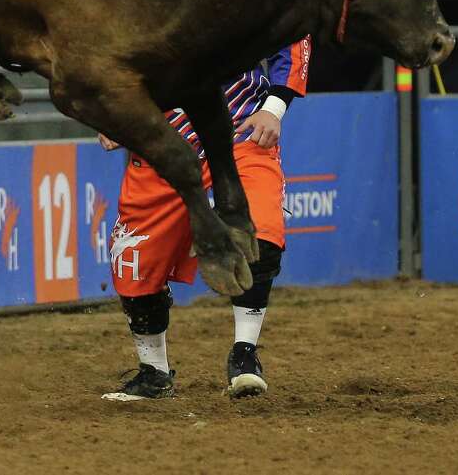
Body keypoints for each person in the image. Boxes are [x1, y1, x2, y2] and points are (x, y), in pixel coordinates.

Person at [101, 38, 311, 401]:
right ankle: (154, 372)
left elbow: (294, 31)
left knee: (260, 229)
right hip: (159, 141)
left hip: (241, 130)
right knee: (135, 267)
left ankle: (244, 354)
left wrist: (274, 108)